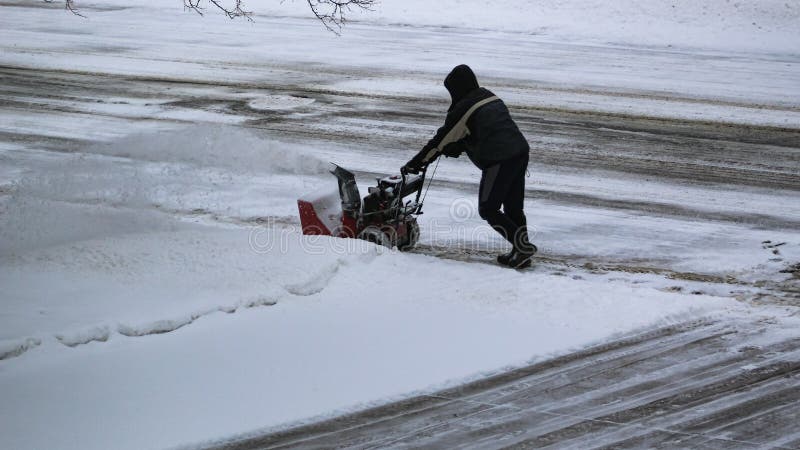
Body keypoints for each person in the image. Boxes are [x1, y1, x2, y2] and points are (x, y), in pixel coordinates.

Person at [403, 64, 537, 268]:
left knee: (488, 209)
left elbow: (439, 142)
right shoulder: (488, 95)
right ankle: (521, 253)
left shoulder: (464, 108)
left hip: (498, 160)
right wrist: (463, 144)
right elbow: (488, 130)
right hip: (519, 152)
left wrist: (416, 163)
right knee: (513, 208)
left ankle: (523, 247)